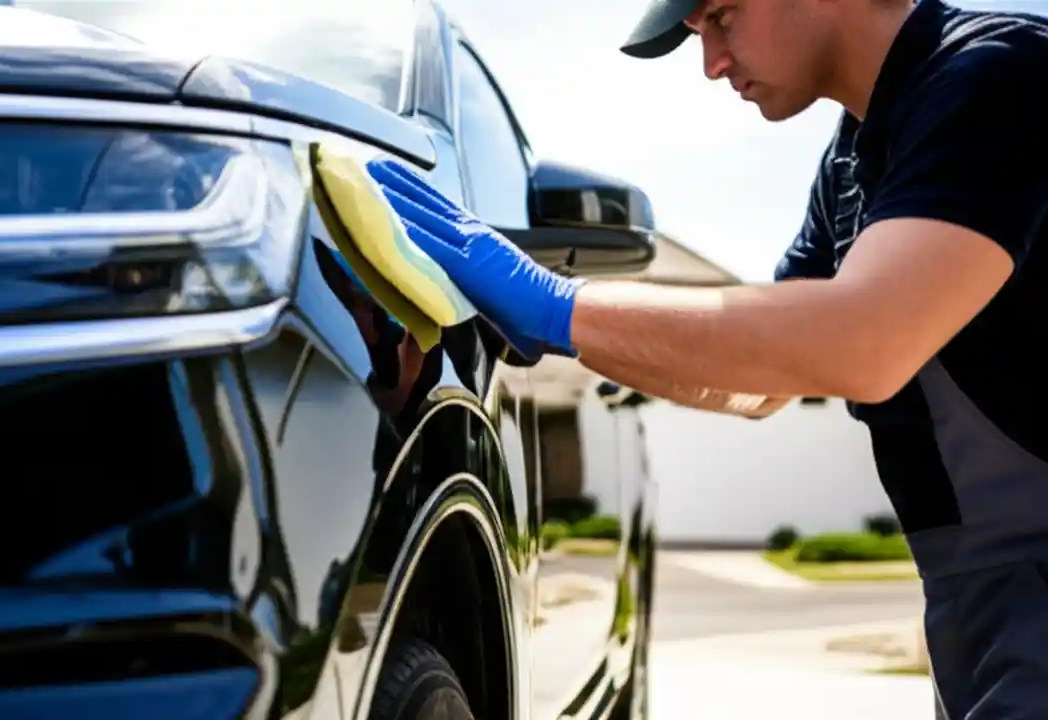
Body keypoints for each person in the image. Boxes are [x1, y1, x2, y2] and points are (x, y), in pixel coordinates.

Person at [366, 0, 1048, 716]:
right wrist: (573, 333)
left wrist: (558, 305)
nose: (713, 63)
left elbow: (864, 340)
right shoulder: (853, 164)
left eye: (721, 17)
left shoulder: (996, 75)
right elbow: (767, 383)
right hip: (973, 612)